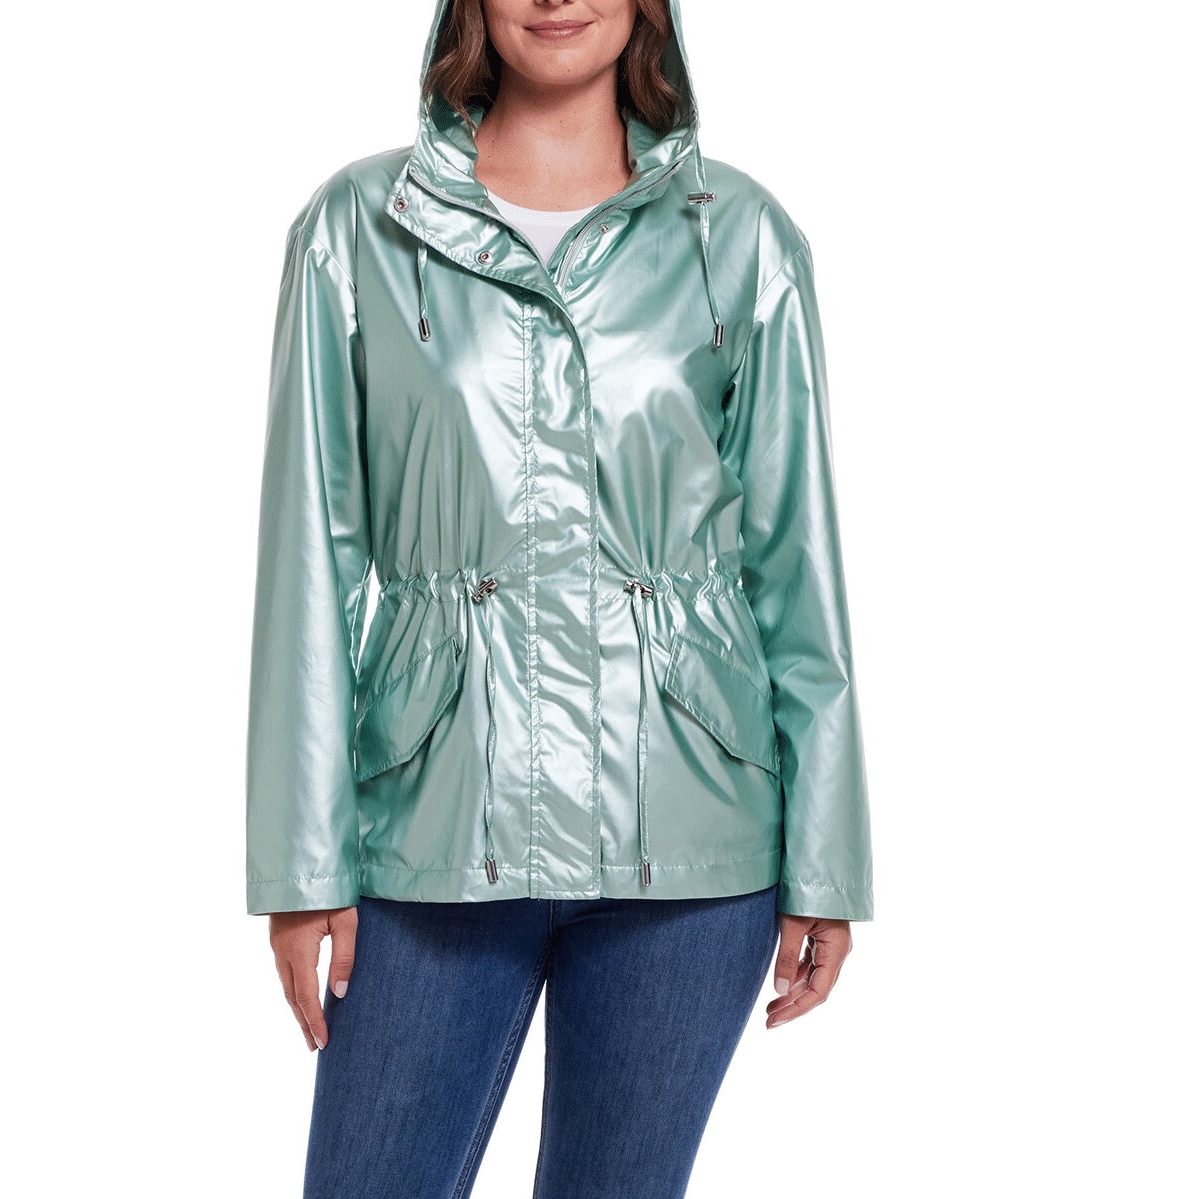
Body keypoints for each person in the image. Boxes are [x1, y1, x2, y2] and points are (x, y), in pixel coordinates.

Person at [246, 1, 874, 1195]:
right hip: (431, 827)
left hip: (691, 841)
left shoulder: (740, 236)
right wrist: (301, 865)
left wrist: (828, 859)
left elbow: (797, 560)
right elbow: (308, 559)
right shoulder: (358, 227)